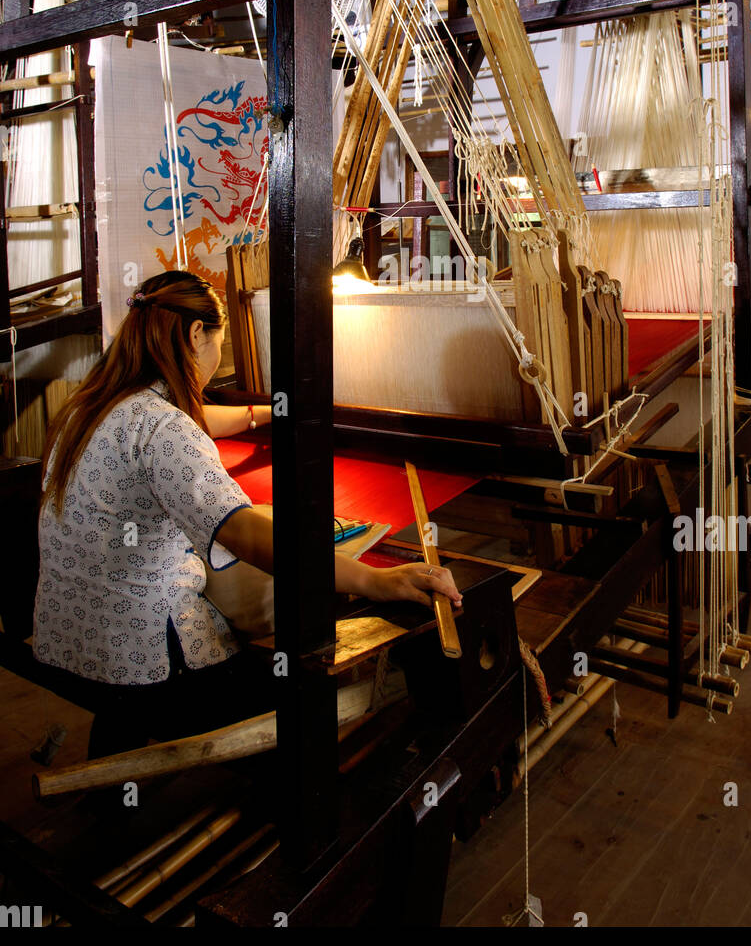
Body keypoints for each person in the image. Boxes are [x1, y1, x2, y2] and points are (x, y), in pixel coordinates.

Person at [34, 270, 461, 758]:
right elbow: (249, 538)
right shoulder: (166, 429)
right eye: (221, 343)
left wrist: (265, 413)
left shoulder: (84, 409)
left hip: (69, 644)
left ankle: (111, 790)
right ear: (197, 334)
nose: (218, 359)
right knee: (293, 686)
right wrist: (375, 581)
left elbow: (197, 422)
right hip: (151, 666)